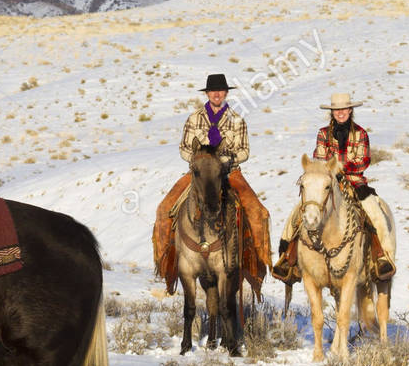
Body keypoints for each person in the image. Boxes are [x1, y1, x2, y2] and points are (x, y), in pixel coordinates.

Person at [152, 73, 271, 292]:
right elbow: (184, 148)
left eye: (220, 91)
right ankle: (167, 265)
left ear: (226, 93)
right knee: (164, 208)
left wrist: (225, 161)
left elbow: (244, 150)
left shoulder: (237, 120)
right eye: (212, 91)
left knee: (258, 212)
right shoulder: (194, 118)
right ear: (207, 94)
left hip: (229, 173)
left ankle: (257, 265)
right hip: (198, 175)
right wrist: (200, 162)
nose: (216, 94)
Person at [272, 92, 395, 282]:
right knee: (298, 213)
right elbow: (320, 159)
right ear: (332, 112)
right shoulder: (323, 134)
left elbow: (363, 161)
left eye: (344, 109)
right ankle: (287, 257)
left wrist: (340, 168)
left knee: (374, 213)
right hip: (328, 182)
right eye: (336, 110)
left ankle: (381, 256)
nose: (340, 113)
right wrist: (329, 172)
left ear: (350, 110)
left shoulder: (361, 133)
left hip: (355, 182)